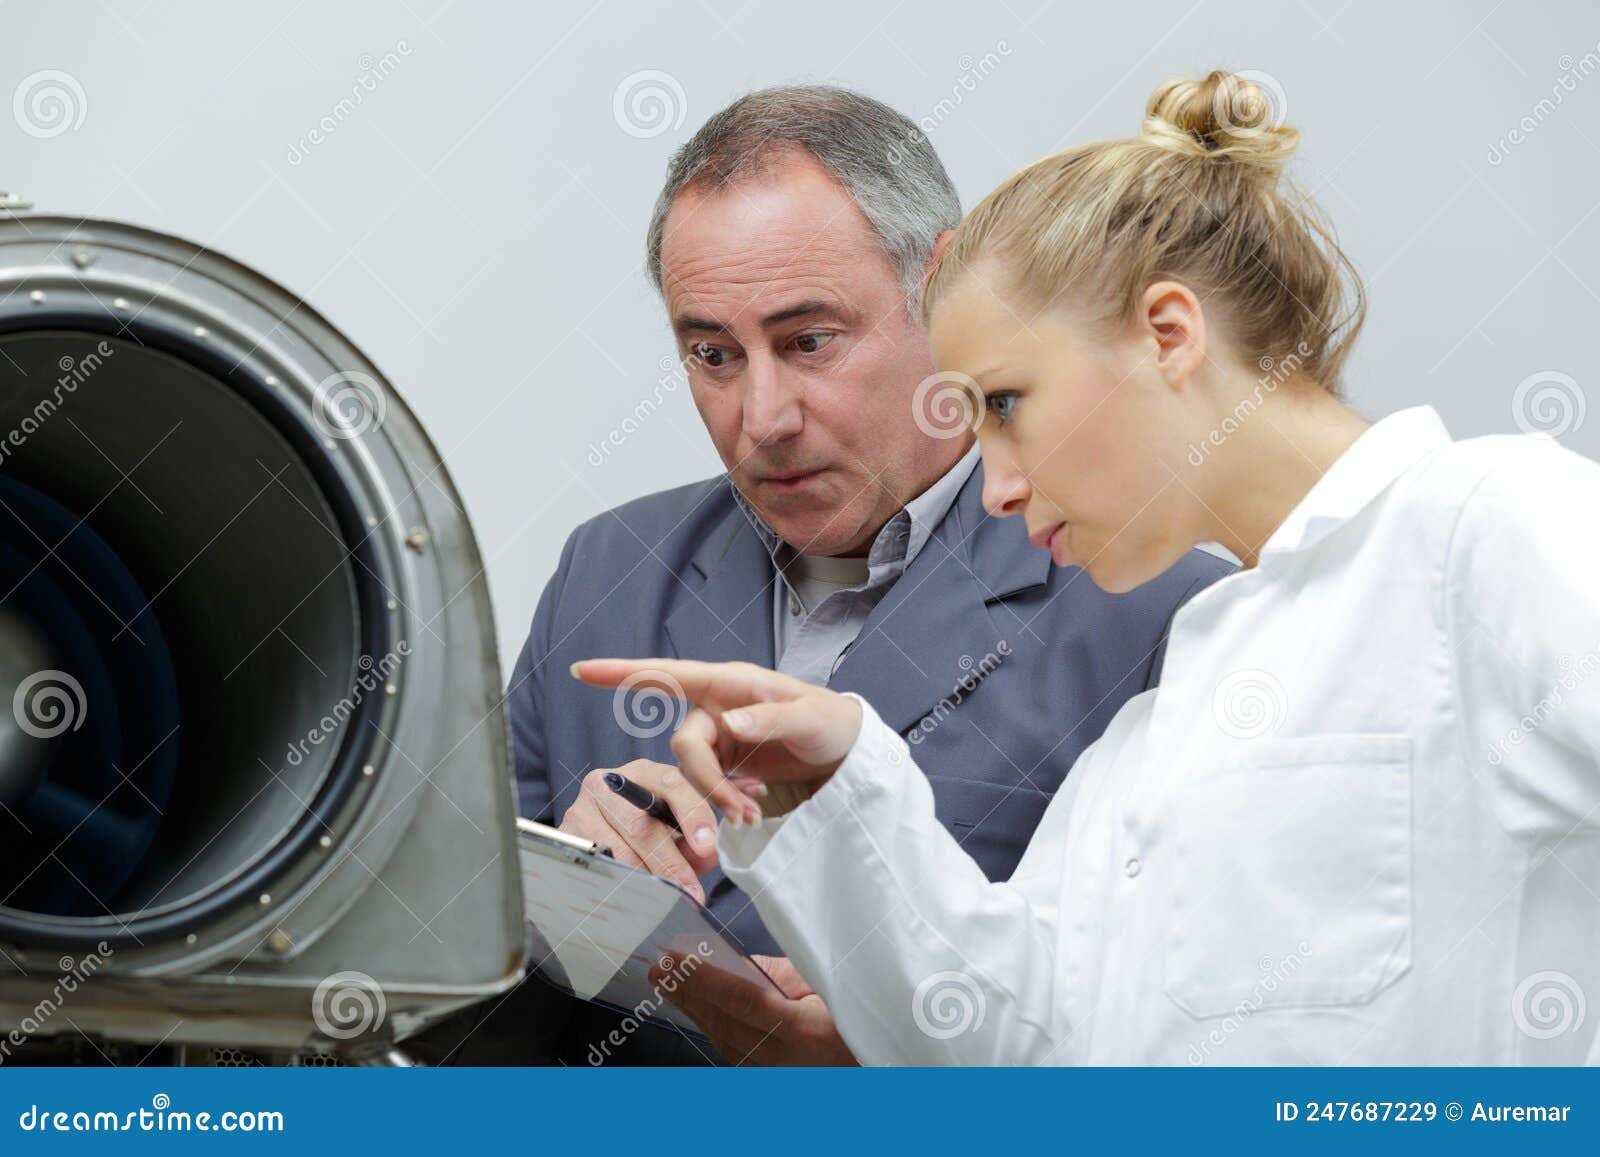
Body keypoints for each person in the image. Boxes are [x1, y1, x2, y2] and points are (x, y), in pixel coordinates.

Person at [574, 70, 1600, 1066]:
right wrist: (833, 787)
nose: (999, 485)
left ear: (1167, 335)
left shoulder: (1487, 527)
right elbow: (1008, 1047)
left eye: (1008, 404)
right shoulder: (1172, 708)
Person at [416, 86, 1230, 1067]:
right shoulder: (608, 569)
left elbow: (1192, 1040)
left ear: (946, 287)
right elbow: (456, 1000)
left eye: (807, 341)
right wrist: (569, 887)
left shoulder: (1158, 614)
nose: (760, 417)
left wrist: (904, 1054)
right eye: (711, 353)